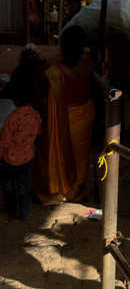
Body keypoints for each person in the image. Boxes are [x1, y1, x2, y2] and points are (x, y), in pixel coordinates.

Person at [32, 25, 96, 205]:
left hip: (65, 118)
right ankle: (76, 189)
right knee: (81, 156)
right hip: (85, 115)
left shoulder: (55, 73)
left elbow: (49, 105)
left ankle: (58, 190)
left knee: (54, 150)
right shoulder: (87, 64)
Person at [0, 68, 43, 219]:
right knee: (24, 184)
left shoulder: (12, 119)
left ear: (15, 101)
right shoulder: (36, 116)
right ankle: (24, 211)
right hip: (27, 158)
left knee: (7, 184)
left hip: (9, 160)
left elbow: (4, 141)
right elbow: (39, 132)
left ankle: (10, 207)